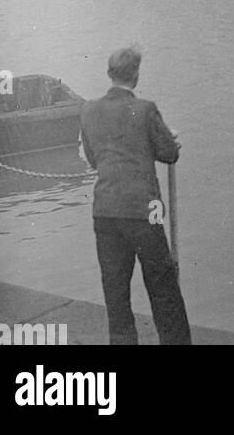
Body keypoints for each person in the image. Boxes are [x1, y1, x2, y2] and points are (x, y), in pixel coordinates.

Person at [80, 47, 191, 346]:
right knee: (162, 285)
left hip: (104, 211)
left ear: (109, 74)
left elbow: (94, 160)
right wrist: (170, 139)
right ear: (136, 74)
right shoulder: (145, 109)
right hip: (144, 210)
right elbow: (169, 153)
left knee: (115, 290)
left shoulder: (88, 109)